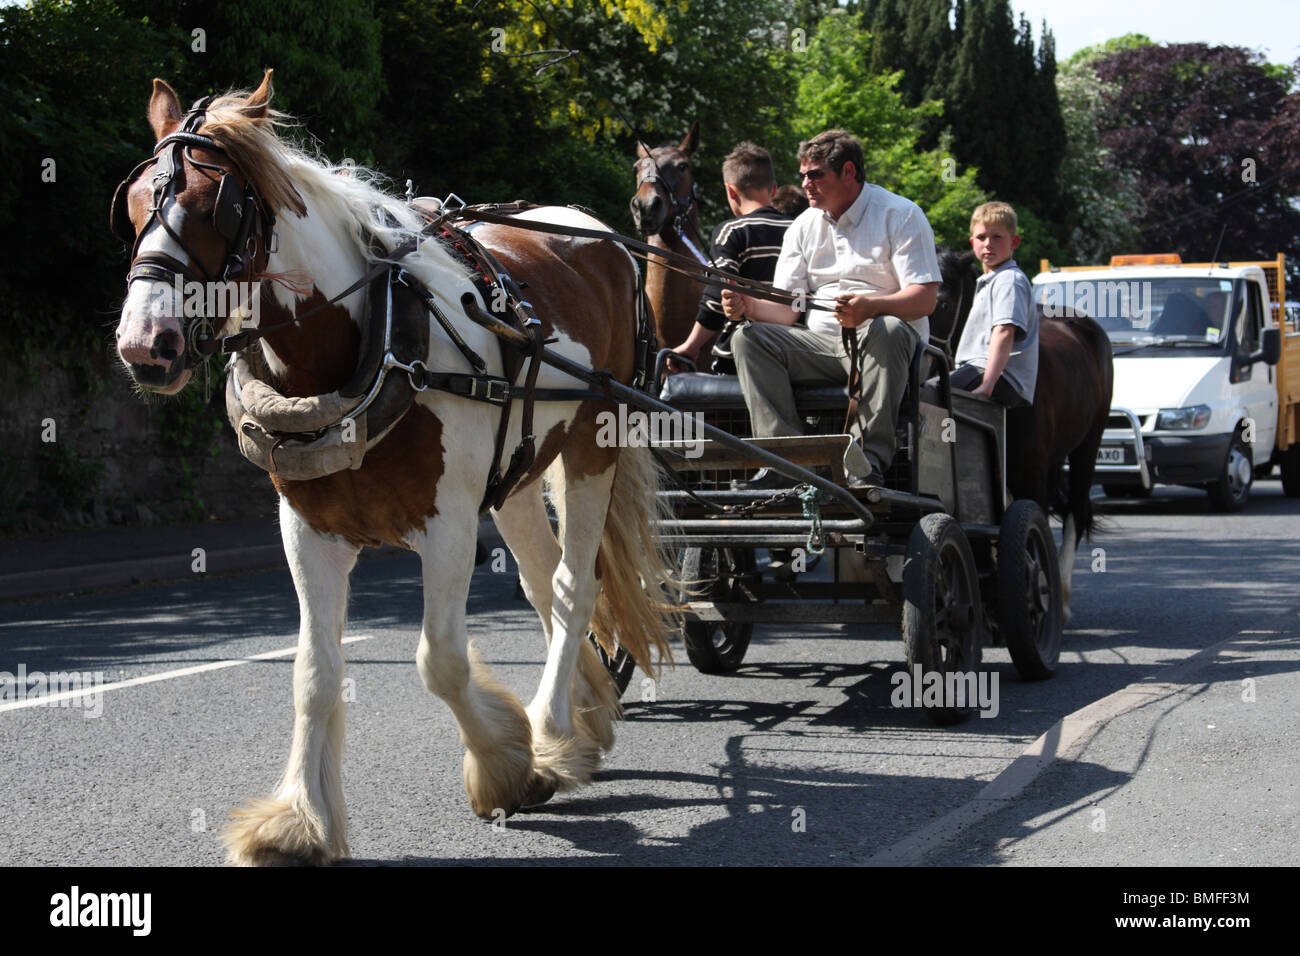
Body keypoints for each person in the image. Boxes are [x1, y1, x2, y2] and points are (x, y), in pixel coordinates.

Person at [721, 129, 941, 488]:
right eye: (803, 175)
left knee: (887, 327)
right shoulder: (802, 226)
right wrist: (749, 306)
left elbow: (924, 299)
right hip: (823, 346)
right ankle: (786, 462)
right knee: (748, 338)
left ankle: (865, 461)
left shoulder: (900, 214)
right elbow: (788, 309)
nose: (806, 183)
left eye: (816, 174)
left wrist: (871, 307)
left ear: (849, 172)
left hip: (888, 347)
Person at [668, 142, 792, 372]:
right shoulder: (800, 229)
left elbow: (718, 296)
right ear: (774, 189)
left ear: (730, 191)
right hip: (796, 352)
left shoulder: (732, 231)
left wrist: (691, 346)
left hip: (741, 358)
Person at [945, 202, 1037, 406]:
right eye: (981, 237)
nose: (988, 244)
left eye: (997, 237)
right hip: (980, 370)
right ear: (972, 242)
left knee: (930, 394)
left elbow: (1004, 331)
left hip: (999, 375)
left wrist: (987, 384)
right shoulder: (990, 281)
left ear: (1014, 242)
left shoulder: (1009, 280)